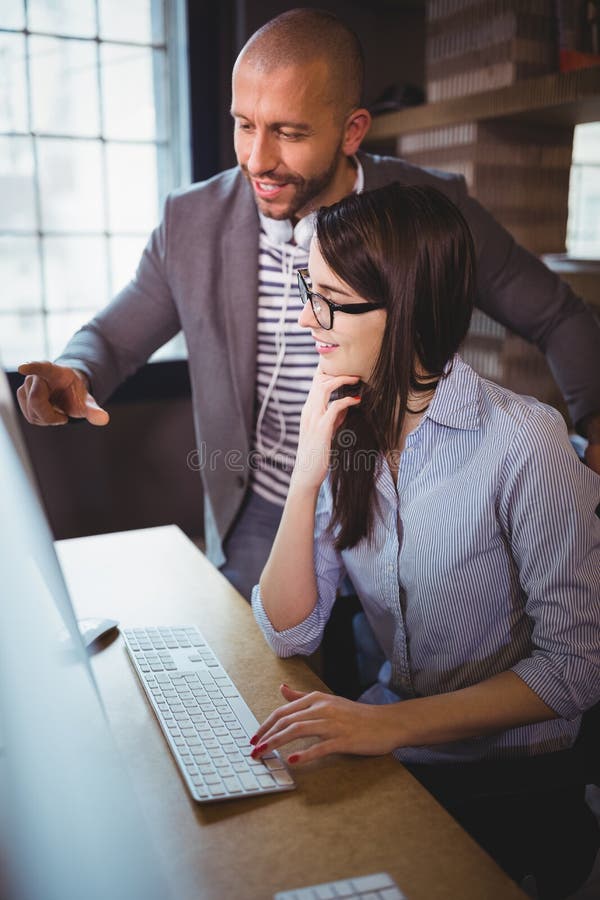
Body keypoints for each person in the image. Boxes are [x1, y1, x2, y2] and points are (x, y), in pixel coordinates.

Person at [16, 8, 600, 600]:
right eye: (245, 125)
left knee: (397, 685)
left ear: (352, 131)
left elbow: (557, 315)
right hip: (262, 509)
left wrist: (595, 424)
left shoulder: (433, 209)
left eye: (289, 133)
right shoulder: (190, 220)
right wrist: (77, 371)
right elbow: (115, 336)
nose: (257, 160)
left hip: (404, 509)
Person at [249, 182, 600, 897]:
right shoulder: (346, 426)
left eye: (328, 301)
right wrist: (306, 478)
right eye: (305, 290)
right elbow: (291, 631)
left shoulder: (523, 442)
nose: (306, 317)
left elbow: (576, 668)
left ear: (404, 311)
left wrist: (390, 727)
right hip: (398, 748)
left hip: (508, 773)